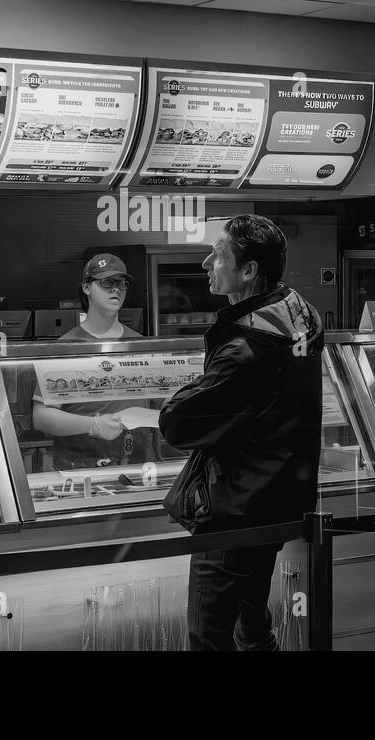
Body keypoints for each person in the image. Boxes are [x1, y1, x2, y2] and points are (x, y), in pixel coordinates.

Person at [159, 214, 323, 651]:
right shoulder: (299, 315)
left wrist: (173, 399)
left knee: (208, 636)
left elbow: (177, 422)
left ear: (248, 271)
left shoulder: (245, 349)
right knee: (252, 624)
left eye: (218, 254)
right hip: (276, 500)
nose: (205, 262)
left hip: (235, 508)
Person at [28, 252, 164, 470]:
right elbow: (42, 416)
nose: (116, 289)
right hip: (82, 470)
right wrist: (94, 425)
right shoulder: (67, 347)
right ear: (87, 287)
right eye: (107, 282)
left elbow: (164, 401)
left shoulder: (140, 345)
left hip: (140, 468)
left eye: (122, 283)